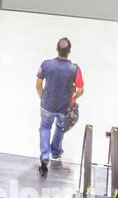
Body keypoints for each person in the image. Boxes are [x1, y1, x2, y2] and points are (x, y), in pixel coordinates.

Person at [35, 37, 84, 177]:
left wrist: (43, 97)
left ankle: (44, 158)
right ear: (69, 51)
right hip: (64, 107)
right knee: (60, 128)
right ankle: (55, 152)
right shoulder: (75, 69)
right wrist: (73, 97)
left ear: (57, 49)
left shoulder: (46, 64)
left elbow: (38, 85)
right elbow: (80, 90)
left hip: (47, 104)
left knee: (45, 128)